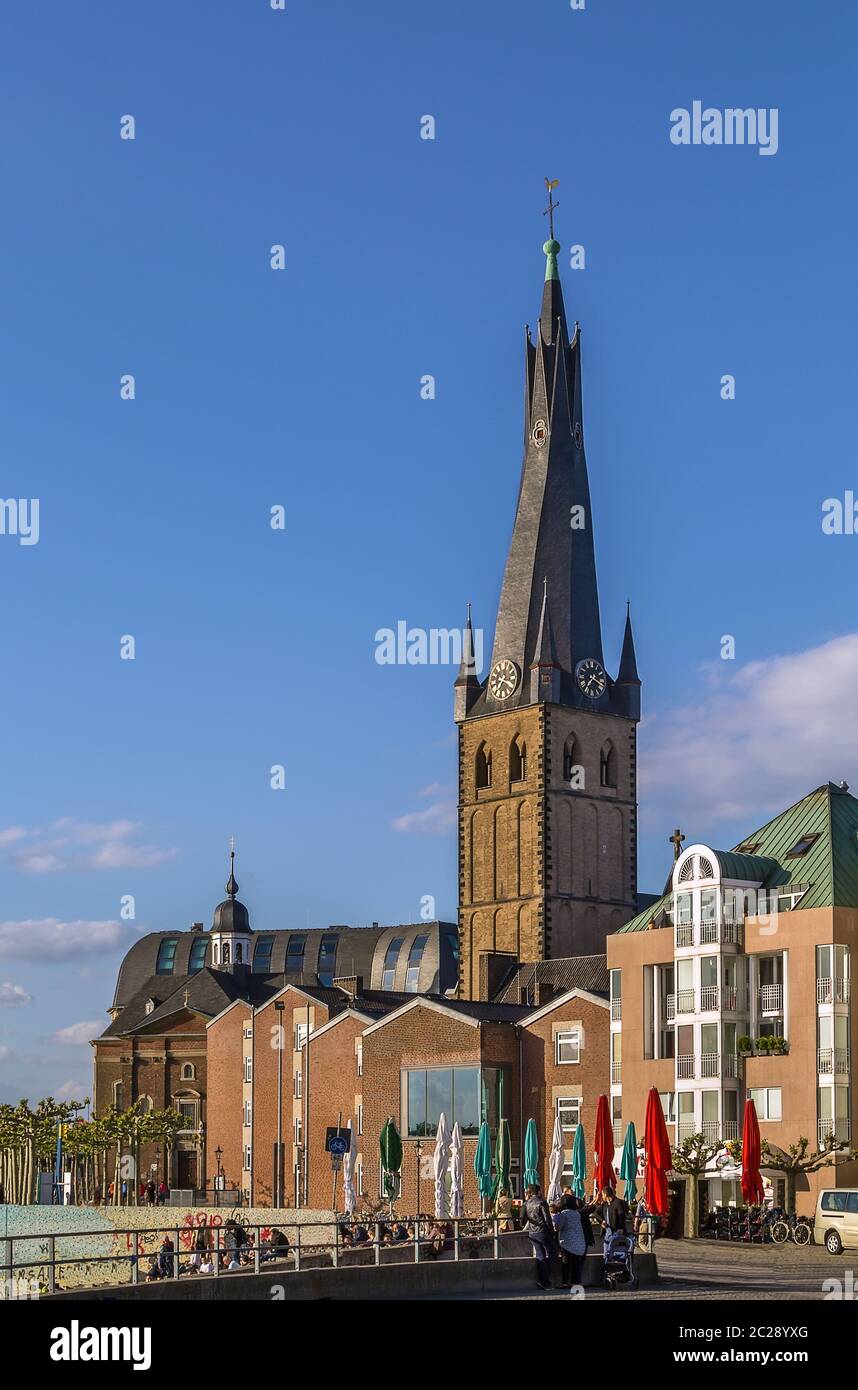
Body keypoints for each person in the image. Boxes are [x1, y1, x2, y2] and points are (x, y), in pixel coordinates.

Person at [521, 1182, 559, 1290]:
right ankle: (545, 1279)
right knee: (553, 1252)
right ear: (537, 1192)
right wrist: (552, 1232)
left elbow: (522, 1220)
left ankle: (542, 1281)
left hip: (532, 1233)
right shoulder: (542, 1202)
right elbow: (547, 1220)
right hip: (542, 1232)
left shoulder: (526, 1203)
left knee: (540, 1255)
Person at [552, 1197, 588, 1289]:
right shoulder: (577, 1213)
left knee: (566, 1263)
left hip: (567, 1242)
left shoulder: (564, 1214)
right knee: (576, 1263)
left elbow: (558, 1227)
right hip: (579, 1241)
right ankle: (576, 1281)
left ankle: (565, 1282)